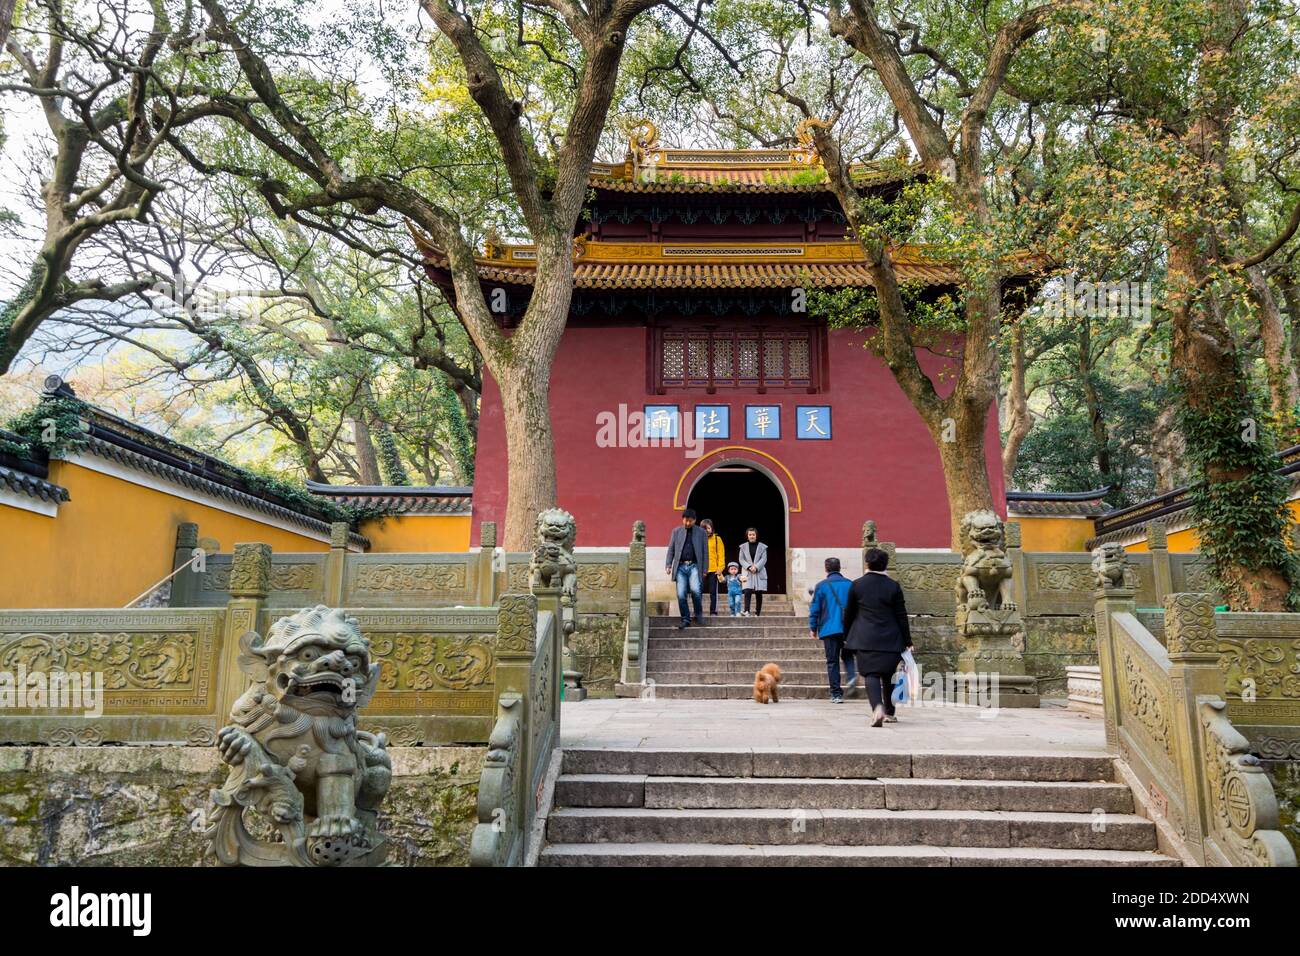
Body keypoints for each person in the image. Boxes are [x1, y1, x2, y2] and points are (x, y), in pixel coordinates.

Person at [843, 547, 913, 727]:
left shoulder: (857, 585)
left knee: (871, 675)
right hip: (892, 639)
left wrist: (846, 635)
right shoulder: (893, 586)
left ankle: (877, 708)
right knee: (888, 675)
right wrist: (908, 641)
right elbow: (901, 615)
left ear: (867, 563)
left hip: (865, 638)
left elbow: (849, 613)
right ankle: (890, 712)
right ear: (885, 564)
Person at [808, 557, 857, 703]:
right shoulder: (850, 584)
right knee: (847, 655)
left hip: (829, 628)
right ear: (840, 568)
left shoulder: (821, 586)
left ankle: (836, 694)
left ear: (826, 569)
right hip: (849, 629)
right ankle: (852, 676)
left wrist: (813, 628)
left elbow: (815, 609)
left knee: (832, 661)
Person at [666, 508, 709, 629]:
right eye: (685, 520)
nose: (687, 523)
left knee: (696, 590)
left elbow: (705, 553)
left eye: (690, 521)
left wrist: (705, 569)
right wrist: (668, 564)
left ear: (695, 520)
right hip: (680, 566)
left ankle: (698, 614)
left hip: (695, 566)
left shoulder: (702, 533)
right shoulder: (676, 531)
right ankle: (685, 619)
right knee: (681, 594)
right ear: (683, 519)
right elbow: (671, 549)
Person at [738, 527, 767, 616]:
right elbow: (741, 559)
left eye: (753, 534)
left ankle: (757, 612)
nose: (751, 536)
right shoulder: (743, 547)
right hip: (747, 571)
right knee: (747, 591)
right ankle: (747, 610)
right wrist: (749, 567)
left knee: (758, 592)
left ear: (756, 536)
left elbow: (764, 559)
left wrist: (756, 567)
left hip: (759, 571)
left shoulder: (762, 547)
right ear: (747, 536)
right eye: (750, 535)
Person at [701, 518, 726, 616]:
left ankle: (713, 611)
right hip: (701, 570)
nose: (706, 530)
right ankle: (698, 611)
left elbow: (721, 555)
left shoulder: (717, 539)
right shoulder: (698, 540)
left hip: (714, 570)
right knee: (698, 592)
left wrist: (720, 568)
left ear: (712, 528)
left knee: (713, 592)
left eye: (708, 528)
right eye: (704, 529)